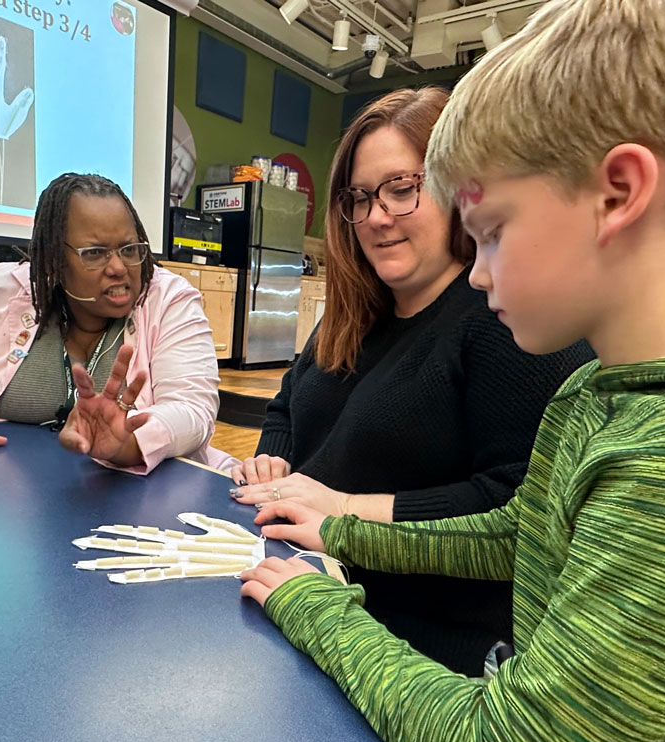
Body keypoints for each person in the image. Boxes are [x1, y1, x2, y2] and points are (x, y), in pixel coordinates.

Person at [240, 0, 665, 742]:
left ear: (618, 194)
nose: (477, 276)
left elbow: (513, 739)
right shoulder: (593, 391)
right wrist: (342, 529)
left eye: (492, 233)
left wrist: (321, 609)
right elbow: (513, 536)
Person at [230, 87, 593, 675]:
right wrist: (272, 463)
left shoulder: (504, 320)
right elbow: (286, 408)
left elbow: (513, 510)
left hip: (406, 642)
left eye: (402, 189)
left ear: (460, 191)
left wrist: (346, 513)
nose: (376, 216)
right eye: (360, 197)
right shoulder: (352, 310)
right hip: (293, 580)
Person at [0, 172, 231, 475]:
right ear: (53, 261)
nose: (119, 267)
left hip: (144, 502)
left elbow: (193, 411)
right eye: (95, 253)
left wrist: (127, 443)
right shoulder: (3, 292)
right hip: (12, 507)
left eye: (129, 249)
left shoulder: (168, 298)